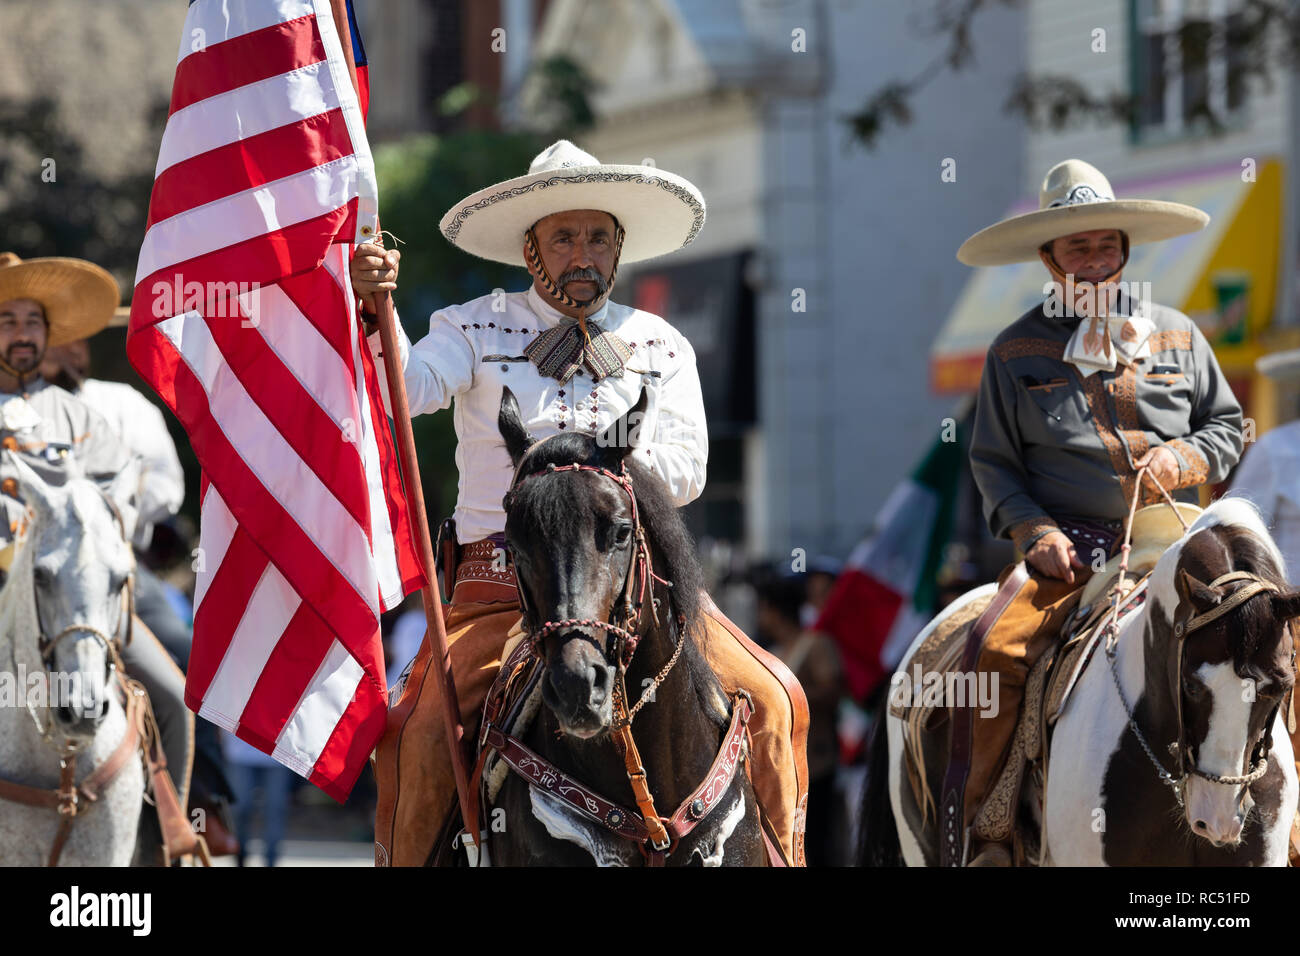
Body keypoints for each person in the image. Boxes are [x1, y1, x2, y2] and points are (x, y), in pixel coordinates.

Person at [355, 140, 810, 866]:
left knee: (778, 695)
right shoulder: (472, 325)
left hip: (643, 587)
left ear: (619, 244)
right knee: (417, 730)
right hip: (499, 588)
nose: (583, 253)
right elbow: (405, 392)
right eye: (563, 237)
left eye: (598, 236)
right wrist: (370, 308)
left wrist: (594, 470)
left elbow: (689, 466)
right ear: (530, 248)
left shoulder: (659, 340)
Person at [956, 160, 1244, 866]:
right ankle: (994, 826)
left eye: (1105, 246)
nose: (1093, 261)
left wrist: (1186, 459)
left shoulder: (1180, 333)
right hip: (1072, 553)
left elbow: (1230, 426)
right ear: (1050, 260)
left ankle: (1284, 819)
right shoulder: (1012, 351)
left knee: (1267, 644)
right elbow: (993, 463)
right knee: (992, 654)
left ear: (1125, 251)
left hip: (1183, 543)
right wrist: (1034, 531)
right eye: (1076, 249)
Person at [0, 252, 195, 829]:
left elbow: (123, 496)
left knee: (174, 698)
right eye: (8, 321)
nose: (22, 334)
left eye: (32, 322)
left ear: (48, 333)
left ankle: (172, 839)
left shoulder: (83, 418)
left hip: (81, 599)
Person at [754, 566, 843, 866]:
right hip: (782, 770)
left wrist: (787, 697)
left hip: (817, 764)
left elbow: (833, 693)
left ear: (774, 610)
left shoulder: (816, 644)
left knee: (817, 845)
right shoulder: (774, 652)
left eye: (762, 608)